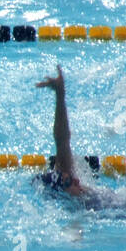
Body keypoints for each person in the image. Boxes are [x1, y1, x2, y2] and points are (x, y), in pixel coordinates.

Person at [34, 65, 110, 208]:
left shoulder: (84, 197)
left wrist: (60, 95)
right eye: (69, 183)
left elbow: (62, 140)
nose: (77, 181)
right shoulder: (76, 208)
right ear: (61, 193)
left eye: (71, 178)